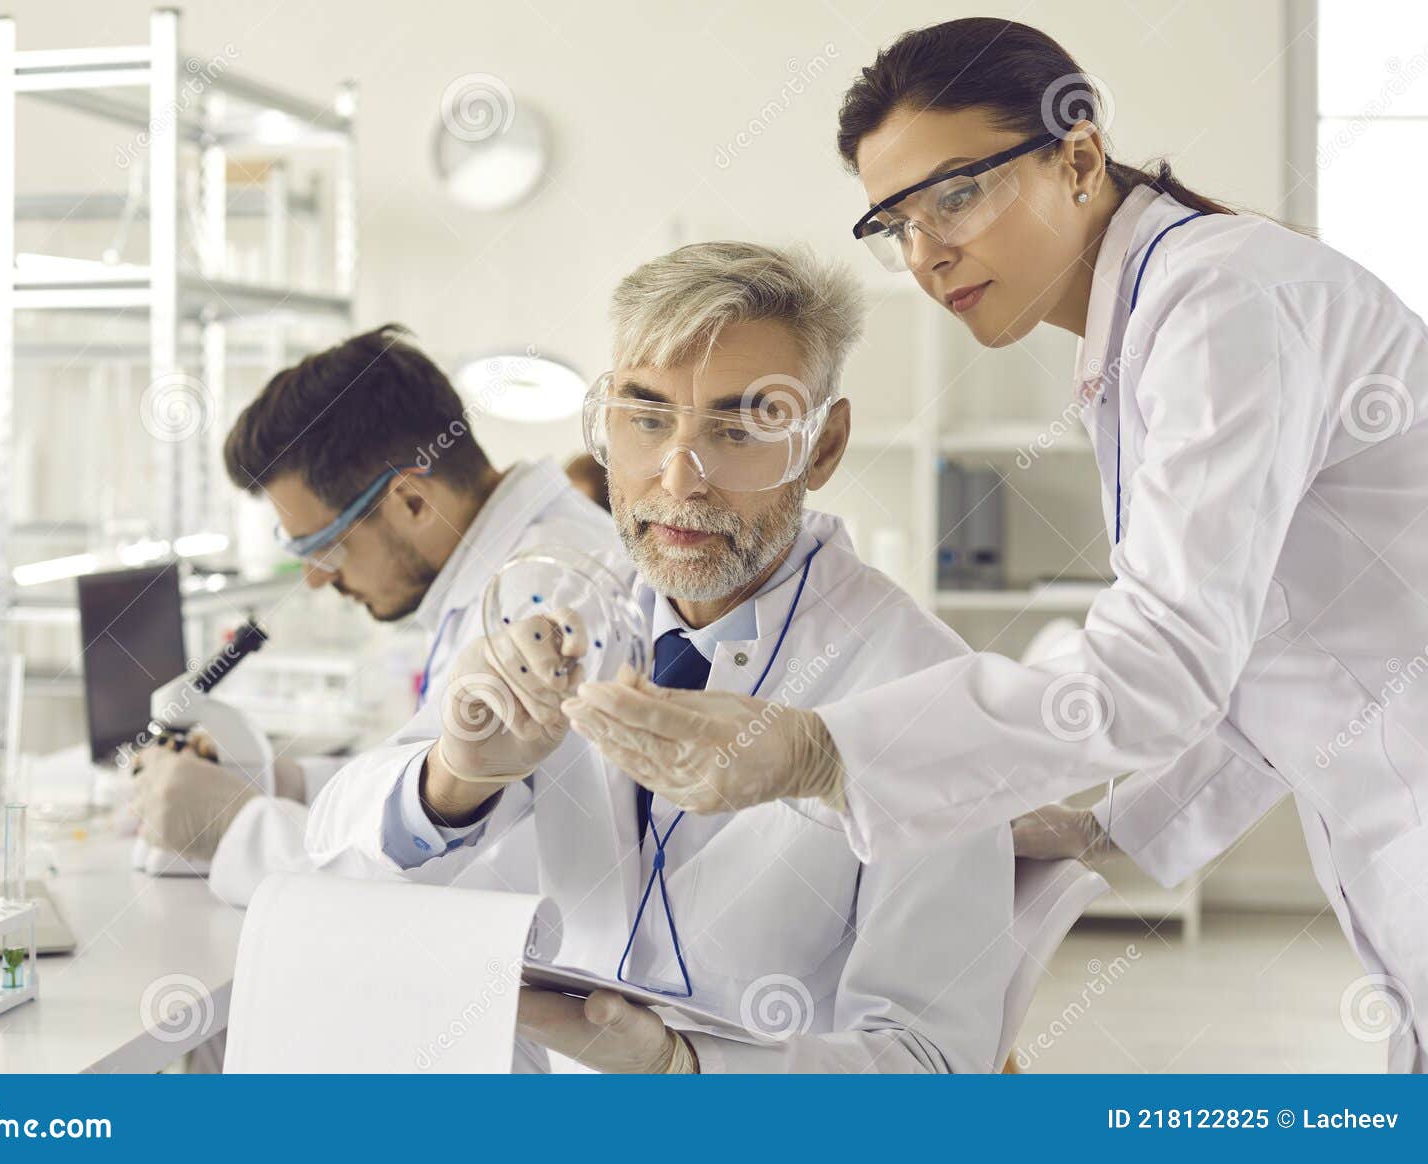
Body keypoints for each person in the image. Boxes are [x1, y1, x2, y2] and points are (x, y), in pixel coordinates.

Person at [563, 18, 1428, 1073]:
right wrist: (1101, 831)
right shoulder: (1153, 323)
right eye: (896, 222)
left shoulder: (1220, 301)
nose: (926, 253)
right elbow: (1268, 663)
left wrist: (821, 751)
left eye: (956, 195)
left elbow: (1165, 665)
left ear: (1079, 157)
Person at [305, 242, 1015, 1073]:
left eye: (739, 428)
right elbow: (334, 843)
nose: (680, 480)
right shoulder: (561, 608)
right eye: (646, 420)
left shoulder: (923, 689)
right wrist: (453, 777)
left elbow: (936, 1064)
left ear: (823, 447)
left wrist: (686, 1070)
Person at [130, 324, 619, 907]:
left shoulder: (545, 588)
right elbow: (428, 786)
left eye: (324, 548)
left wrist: (239, 829)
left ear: (412, 502)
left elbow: (451, 884)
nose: (317, 578)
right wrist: (289, 783)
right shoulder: (493, 570)